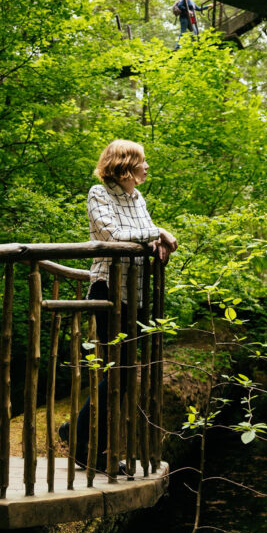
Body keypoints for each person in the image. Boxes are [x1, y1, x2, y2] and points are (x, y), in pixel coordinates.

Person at [63, 140, 177, 473]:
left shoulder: (137, 198)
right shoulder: (99, 193)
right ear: (125, 165)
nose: (147, 167)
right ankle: (86, 446)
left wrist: (157, 242)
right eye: (143, 161)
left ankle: (77, 433)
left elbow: (143, 237)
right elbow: (112, 235)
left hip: (136, 295)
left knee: (123, 373)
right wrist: (159, 231)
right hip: (108, 289)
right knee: (119, 372)